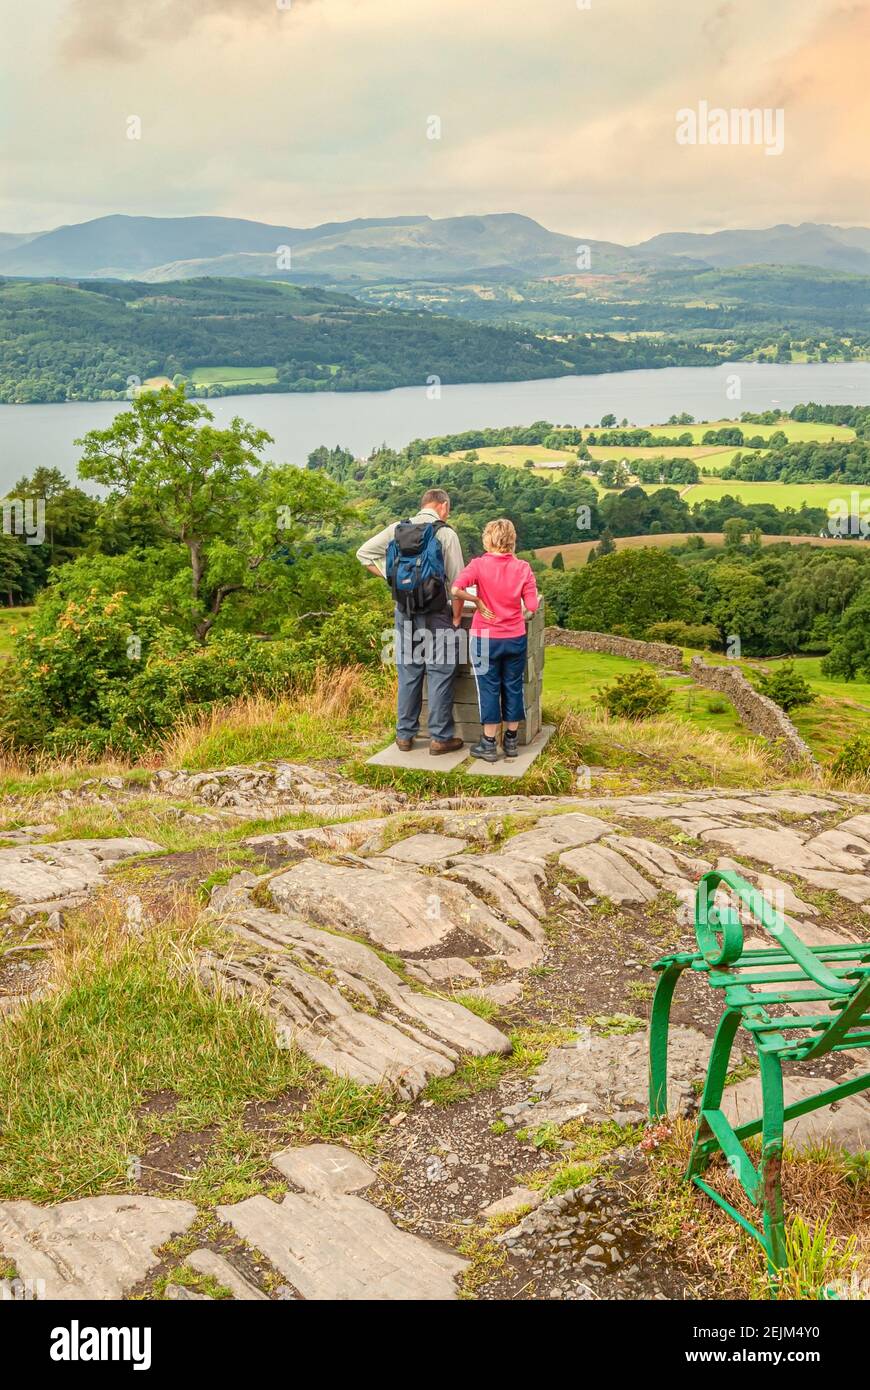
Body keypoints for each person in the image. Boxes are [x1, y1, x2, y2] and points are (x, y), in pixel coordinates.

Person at [356, 488, 465, 754]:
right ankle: (440, 738)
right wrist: (457, 616)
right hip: (437, 612)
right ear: (443, 506)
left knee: (409, 671)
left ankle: (404, 736)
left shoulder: (397, 529)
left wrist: (391, 577)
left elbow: (363, 554)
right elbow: (458, 582)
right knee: (440, 671)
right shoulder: (445, 533)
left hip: (404, 610)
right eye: (448, 508)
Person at [451, 518, 539, 762]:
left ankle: (488, 744)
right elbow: (531, 605)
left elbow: (455, 589)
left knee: (488, 688)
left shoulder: (478, 565)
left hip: (484, 637)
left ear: (488, 539)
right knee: (513, 685)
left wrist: (478, 601)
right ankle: (511, 741)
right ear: (512, 540)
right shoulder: (523, 568)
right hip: (515, 637)